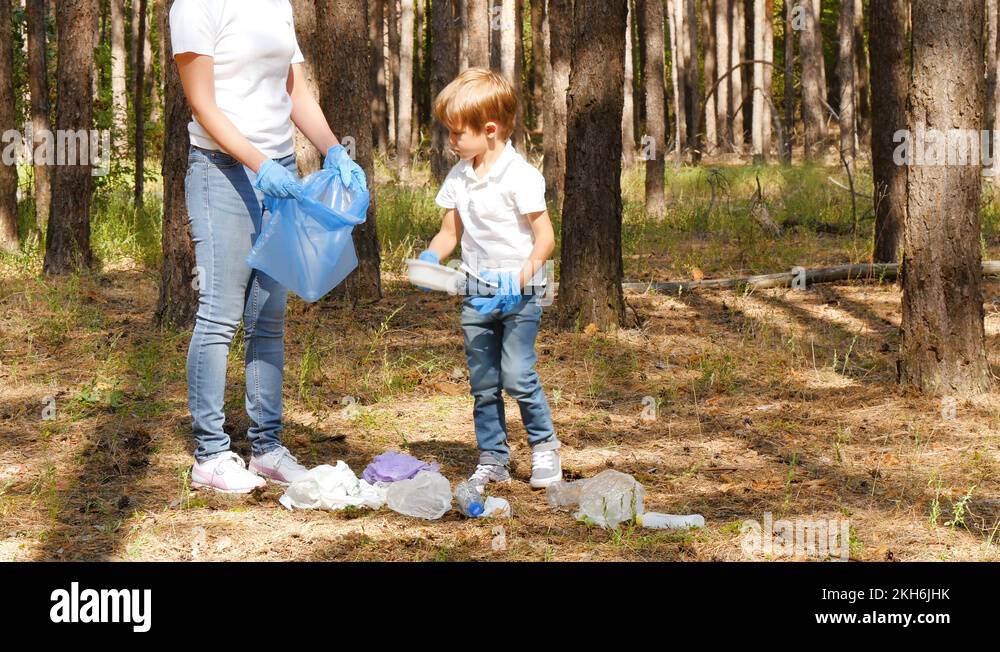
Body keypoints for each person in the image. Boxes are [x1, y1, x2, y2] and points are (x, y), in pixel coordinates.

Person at [170, 0, 366, 493]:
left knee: (268, 317)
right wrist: (259, 164)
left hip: (280, 173)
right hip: (224, 173)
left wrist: (332, 148)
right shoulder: (193, 7)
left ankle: (267, 448)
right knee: (219, 314)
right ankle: (210, 456)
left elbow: (292, 85)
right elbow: (202, 104)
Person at [419, 68, 562, 492]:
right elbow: (450, 233)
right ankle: (493, 458)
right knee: (484, 383)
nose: (451, 141)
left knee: (517, 376)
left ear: (490, 130)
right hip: (475, 292)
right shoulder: (459, 176)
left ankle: (545, 447)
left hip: (520, 293)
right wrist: (430, 257)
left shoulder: (521, 177)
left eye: (457, 133)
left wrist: (517, 280)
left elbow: (545, 239)